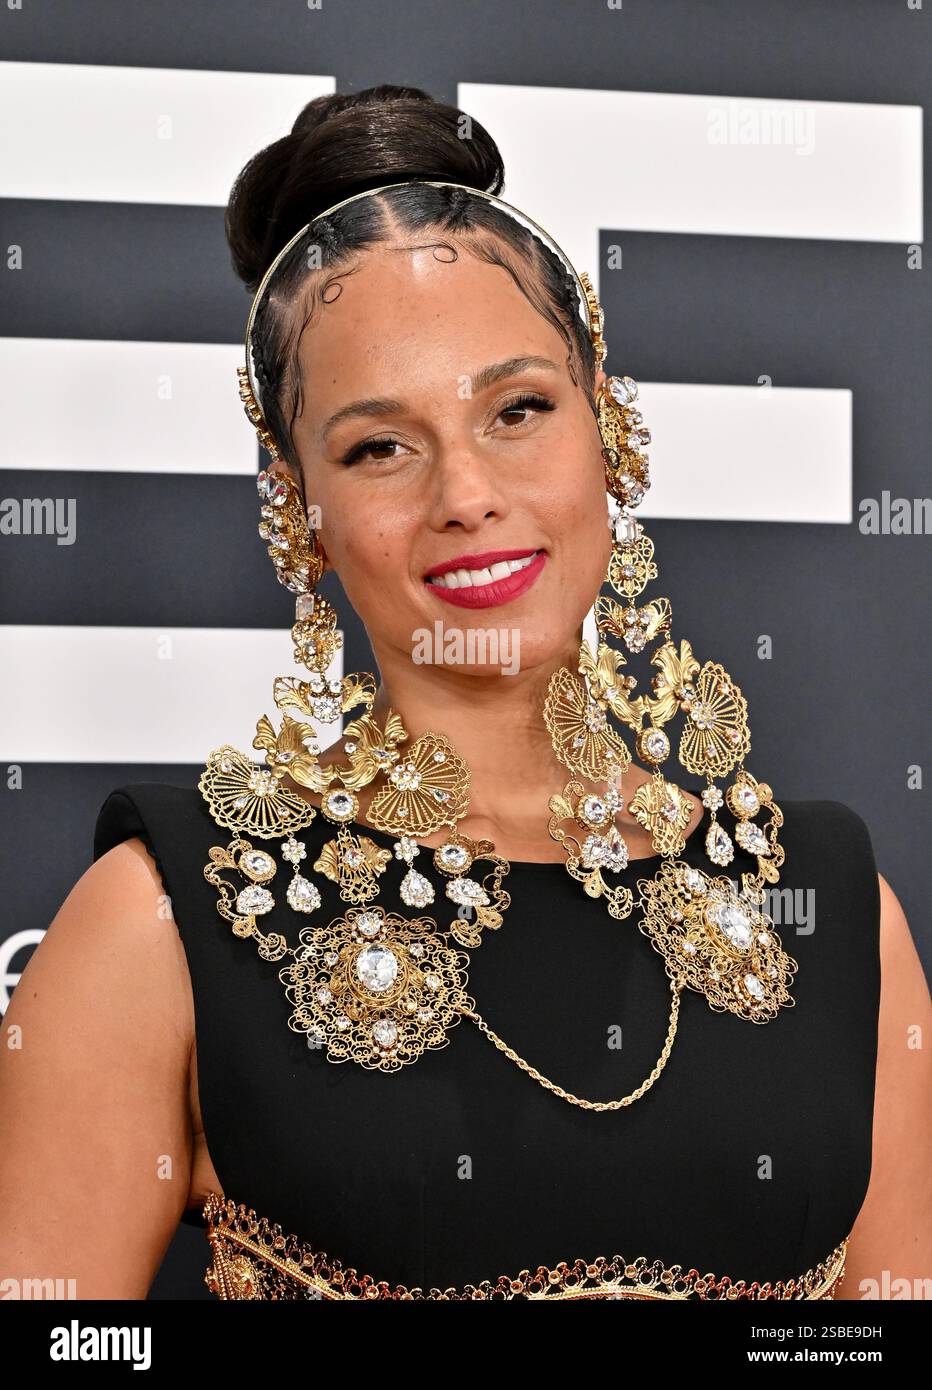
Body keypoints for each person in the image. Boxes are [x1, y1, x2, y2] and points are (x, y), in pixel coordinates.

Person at [1, 85, 929, 1302]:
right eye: (379, 445)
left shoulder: (826, 908)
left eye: (518, 410)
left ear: (610, 428)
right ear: (302, 513)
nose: (467, 494)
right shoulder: (165, 920)